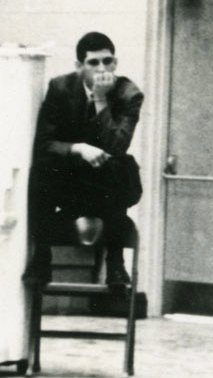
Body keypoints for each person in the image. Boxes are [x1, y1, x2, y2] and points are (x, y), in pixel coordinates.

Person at [24, 32, 143, 288]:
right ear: (79, 66)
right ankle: (41, 258)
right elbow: (44, 144)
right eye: (93, 63)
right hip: (69, 183)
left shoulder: (128, 93)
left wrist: (100, 98)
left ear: (116, 62)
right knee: (41, 168)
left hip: (105, 188)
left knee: (119, 166)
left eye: (108, 61)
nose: (102, 68)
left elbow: (118, 145)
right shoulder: (60, 88)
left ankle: (115, 264)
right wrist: (78, 148)